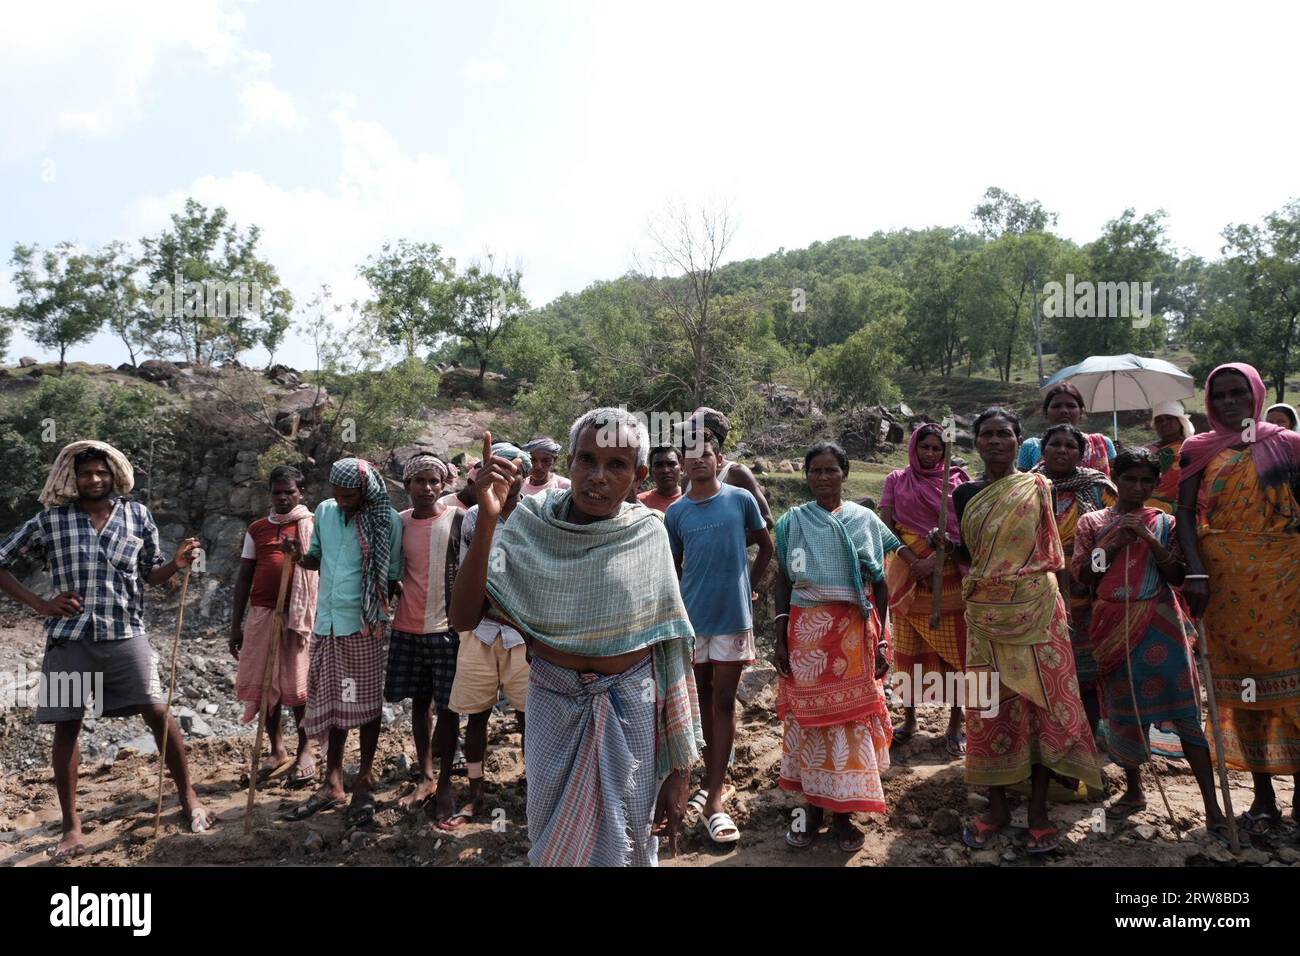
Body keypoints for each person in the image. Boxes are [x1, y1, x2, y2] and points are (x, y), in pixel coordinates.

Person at [450, 410, 703, 866]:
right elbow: (465, 616)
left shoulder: (648, 533)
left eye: (617, 465)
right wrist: (488, 519)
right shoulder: (529, 525)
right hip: (552, 701)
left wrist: (679, 770)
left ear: (638, 475)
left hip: (632, 707)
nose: (598, 477)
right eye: (587, 460)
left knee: (629, 839)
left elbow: (670, 650)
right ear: (570, 462)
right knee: (553, 836)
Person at [0, 441, 212, 857]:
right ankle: (71, 828)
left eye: (101, 472)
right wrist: (41, 604)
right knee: (67, 724)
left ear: (114, 474)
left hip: (126, 632)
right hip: (69, 637)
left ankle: (189, 796)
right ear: (72, 479)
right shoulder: (51, 520)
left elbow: (151, 576)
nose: (94, 479)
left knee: (156, 710)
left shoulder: (137, 515)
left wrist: (179, 563)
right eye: (85, 474)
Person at [942, 408, 1102, 854]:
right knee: (990, 707)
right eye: (988, 434)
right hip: (986, 613)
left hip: (1038, 609)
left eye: (1004, 434)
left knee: (1043, 706)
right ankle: (995, 807)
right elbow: (975, 552)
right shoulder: (964, 494)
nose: (996, 441)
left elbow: (1049, 549)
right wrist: (946, 547)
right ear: (977, 442)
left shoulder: (1038, 486)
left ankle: (1037, 810)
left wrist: (1065, 610)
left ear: (1018, 441)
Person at [1072, 448, 1230, 840]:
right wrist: (1114, 542)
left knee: (1186, 713)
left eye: (1146, 481)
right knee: (1125, 712)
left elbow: (1177, 572)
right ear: (1116, 480)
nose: (1138, 487)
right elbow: (1084, 577)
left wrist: (1148, 539)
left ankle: (1212, 807)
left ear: (1155, 483)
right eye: (1130, 479)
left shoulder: (1165, 522)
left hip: (1160, 622)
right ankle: (1135, 789)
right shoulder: (1092, 521)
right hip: (1112, 624)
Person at [1177, 363, 1300, 838]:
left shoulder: (1287, 445)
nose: (1229, 402)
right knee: (1243, 688)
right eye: (1220, 395)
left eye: (1238, 393)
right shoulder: (1199, 449)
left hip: (1286, 577)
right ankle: (1264, 798)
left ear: (1256, 396)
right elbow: (1185, 515)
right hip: (1224, 580)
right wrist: (1196, 570)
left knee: (1293, 685)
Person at [775, 442, 916, 851]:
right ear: (806, 475)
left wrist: (883, 641)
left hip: (855, 630)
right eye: (815, 470)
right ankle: (811, 809)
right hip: (806, 632)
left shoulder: (863, 520)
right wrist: (780, 634)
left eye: (830, 470)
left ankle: (844, 815)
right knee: (808, 720)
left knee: (851, 721)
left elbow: (882, 583)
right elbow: (784, 578)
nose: (822, 478)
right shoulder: (792, 522)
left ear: (845, 473)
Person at [281, 458, 403, 827]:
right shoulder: (325, 511)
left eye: (350, 495)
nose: (343, 500)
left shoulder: (387, 520)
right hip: (327, 623)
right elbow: (315, 559)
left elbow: (393, 575)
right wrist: (298, 557)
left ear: (365, 490)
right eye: (338, 493)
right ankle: (332, 781)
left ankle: (363, 781)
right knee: (333, 702)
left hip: (363, 625)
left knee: (364, 705)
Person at [665, 426, 772, 846]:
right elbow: (674, 567)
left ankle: (713, 796)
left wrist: (749, 586)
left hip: (732, 618)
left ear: (717, 457)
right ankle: (700, 781)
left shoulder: (739, 499)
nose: (698, 461)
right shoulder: (677, 513)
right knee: (699, 699)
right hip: (693, 622)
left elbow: (766, 545)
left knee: (724, 701)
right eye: (689, 455)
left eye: (705, 453)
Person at [443, 441, 533, 829]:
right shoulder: (473, 517)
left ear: (524, 478)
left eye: (514, 473)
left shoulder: (535, 517)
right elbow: (464, 574)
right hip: (481, 630)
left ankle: (536, 790)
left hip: (523, 636)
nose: (506, 481)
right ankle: (476, 792)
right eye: (498, 471)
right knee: (476, 715)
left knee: (531, 718)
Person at [880, 423, 970, 755]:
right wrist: (912, 560)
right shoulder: (896, 480)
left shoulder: (958, 483)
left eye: (937, 449)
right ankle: (910, 718)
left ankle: (955, 726)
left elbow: (965, 531)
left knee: (957, 654)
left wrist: (934, 559)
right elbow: (885, 527)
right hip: (906, 578)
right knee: (908, 652)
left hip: (947, 578)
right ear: (914, 448)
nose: (930, 453)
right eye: (925, 447)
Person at [386, 455, 464, 821]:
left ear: (444, 484)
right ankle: (427, 776)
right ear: (407, 486)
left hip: (446, 629)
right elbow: (390, 570)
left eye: (434, 481)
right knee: (420, 704)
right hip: (407, 627)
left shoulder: (458, 520)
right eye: (420, 482)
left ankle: (447, 781)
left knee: (448, 709)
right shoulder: (398, 524)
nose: (428, 488)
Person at [230, 464, 319, 788]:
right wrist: (235, 625)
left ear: (300, 493)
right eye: (277, 492)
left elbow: (321, 566)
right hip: (263, 613)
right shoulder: (258, 529)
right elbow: (244, 577)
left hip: (299, 619)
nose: (283, 498)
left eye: (289, 492)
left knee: (297, 686)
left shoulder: (313, 525)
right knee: (266, 683)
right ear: (270, 494)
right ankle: (276, 749)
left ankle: (305, 749)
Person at [1032, 422, 1117, 736]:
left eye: (1070, 446)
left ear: (1081, 455)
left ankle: (1089, 735)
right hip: (1039, 588)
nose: (1062, 451)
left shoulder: (1098, 487)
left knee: (1086, 668)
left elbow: (1118, 523)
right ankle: (1051, 736)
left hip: (1088, 590)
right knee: (1046, 666)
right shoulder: (1028, 486)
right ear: (1043, 450)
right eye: (1055, 444)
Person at [677, 407, 774, 529]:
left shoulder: (737, 473)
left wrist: (733, 541)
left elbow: (767, 519)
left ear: (711, 436)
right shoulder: (687, 480)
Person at [1018, 383, 1116, 475]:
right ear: (1045, 413)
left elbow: (1116, 483)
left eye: (1071, 406)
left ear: (1081, 412)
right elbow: (1023, 486)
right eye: (1056, 406)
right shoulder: (1031, 447)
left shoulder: (1102, 444)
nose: (1064, 411)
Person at [1146, 400, 1195, 513]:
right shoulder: (1148, 450)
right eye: (1159, 420)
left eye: (1169, 418)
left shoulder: (1193, 448)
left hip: (1185, 507)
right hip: (1148, 505)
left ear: (1180, 421)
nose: (1164, 423)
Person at [638, 446, 684, 514]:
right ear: (650, 471)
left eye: (671, 464)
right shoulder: (639, 503)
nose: (665, 470)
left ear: (681, 469)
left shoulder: (694, 500)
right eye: (659, 465)